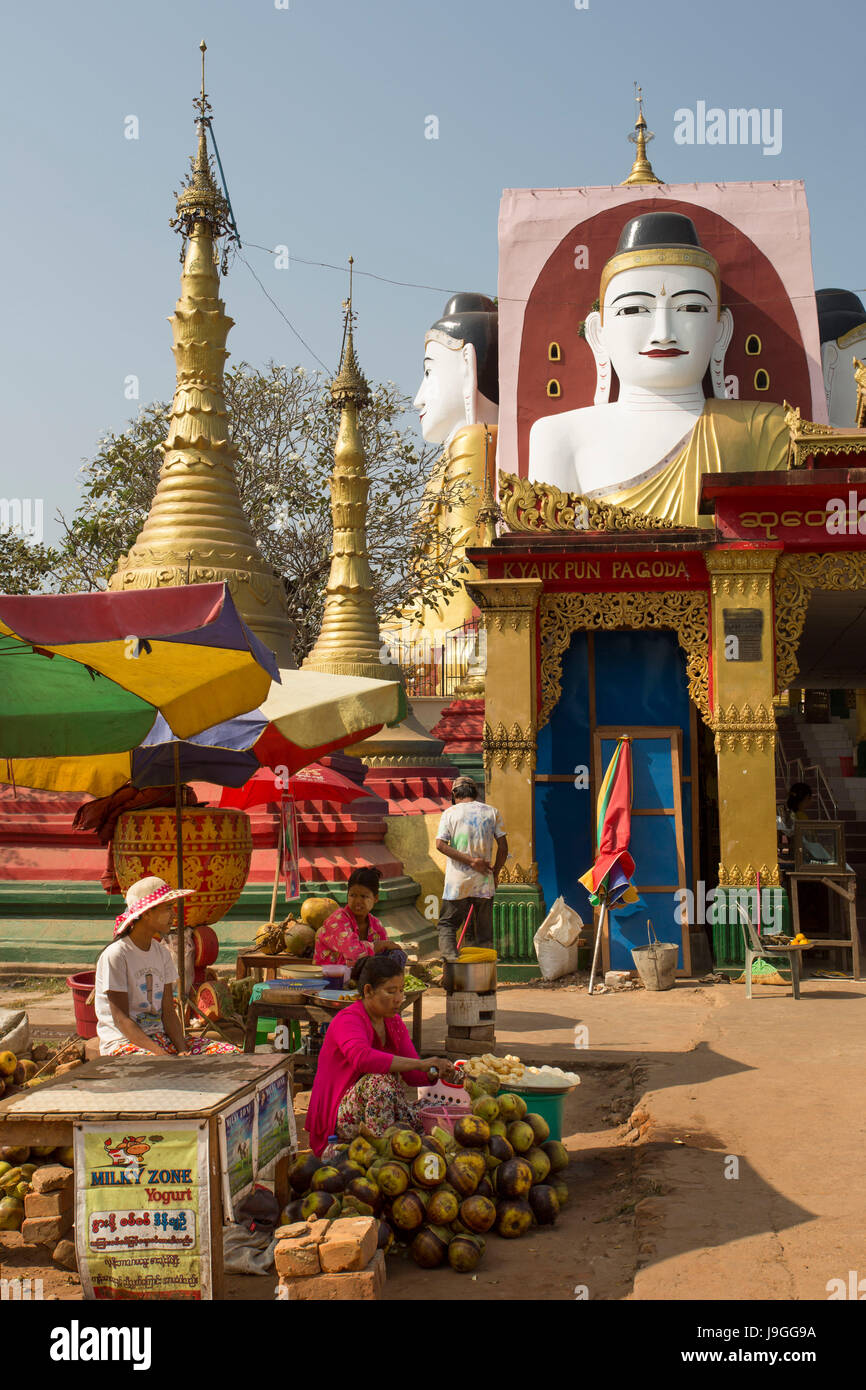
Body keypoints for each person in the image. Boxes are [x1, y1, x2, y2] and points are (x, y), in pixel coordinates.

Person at [528, 211, 789, 527]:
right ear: (600, 333)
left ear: (720, 331)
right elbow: (543, 558)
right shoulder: (559, 437)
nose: (664, 333)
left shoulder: (765, 428)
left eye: (691, 308)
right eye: (634, 309)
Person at [305, 954, 457, 1155]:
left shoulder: (393, 1023)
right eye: (391, 991)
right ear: (368, 991)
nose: (399, 999)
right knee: (381, 1083)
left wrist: (433, 1070)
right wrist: (422, 1064)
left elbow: (414, 1076)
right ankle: (384, 1154)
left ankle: (399, 1144)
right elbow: (363, 1059)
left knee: (440, 1109)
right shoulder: (348, 1019)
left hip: (379, 1110)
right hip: (338, 1117)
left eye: (401, 991)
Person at [95, 876, 237, 1057]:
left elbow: (169, 1013)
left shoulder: (161, 953)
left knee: (230, 1053)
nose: (174, 914)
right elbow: (122, 1020)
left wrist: (183, 1050)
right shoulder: (117, 955)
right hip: (124, 1044)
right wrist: (162, 1056)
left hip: (161, 1038)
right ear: (147, 913)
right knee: (160, 1069)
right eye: (168, 908)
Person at [435, 775, 507, 960]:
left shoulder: (450, 813)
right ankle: (484, 976)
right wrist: (495, 873)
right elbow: (504, 848)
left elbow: (440, 845)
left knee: (447, 925)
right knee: (483, 933)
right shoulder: (492, 812)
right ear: (475, 793)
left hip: (457, 883)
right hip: (484, 881)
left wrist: (470, 861)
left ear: (454, 794)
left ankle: (452, 965)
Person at [314, 867, 407, 969]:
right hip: (331, 977)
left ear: (375, 898)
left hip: (361, 976)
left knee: (397, 955)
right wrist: (377, 946)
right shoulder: (337, 921)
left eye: (364, 896)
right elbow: (353, 954)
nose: (357, 901)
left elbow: (384, 951)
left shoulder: (376, 925)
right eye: (353, 895)